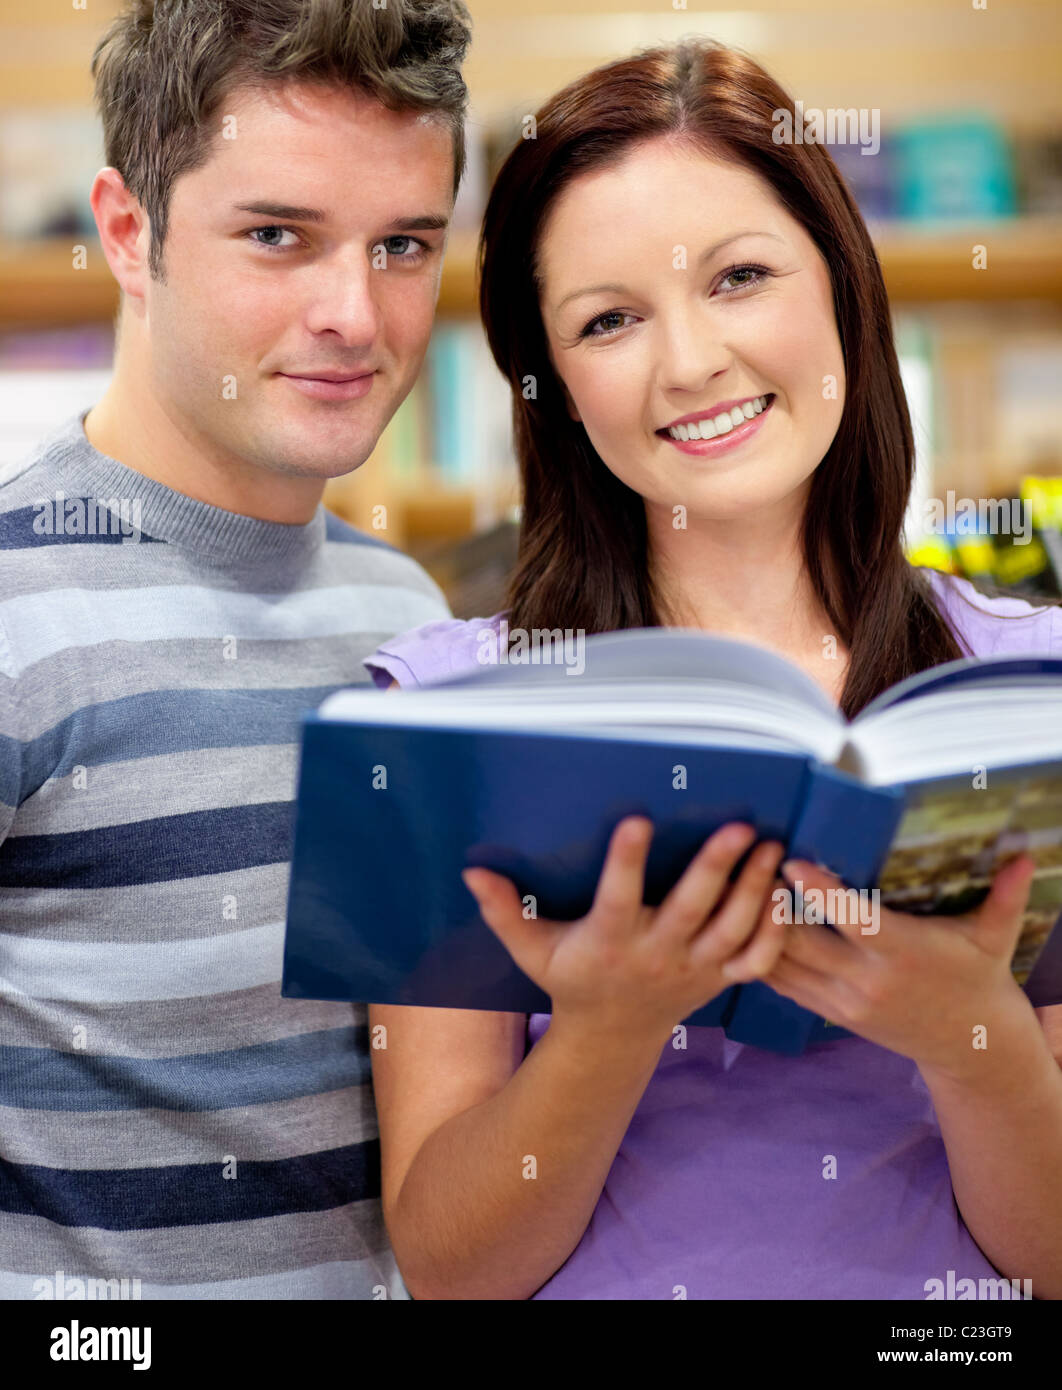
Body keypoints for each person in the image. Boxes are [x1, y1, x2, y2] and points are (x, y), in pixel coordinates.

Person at [363, 38, 1062, 1300]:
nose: (689, 363)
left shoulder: (1030, 691)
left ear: (841, 282)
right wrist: (609, 1027)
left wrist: (977, 1042)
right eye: (610, 318)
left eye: (740, 276)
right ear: (557, 384)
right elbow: (450, 1269)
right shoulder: (446, 714)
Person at [0, 0, 473, 1300]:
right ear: (126, 231)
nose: (354, 313)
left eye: (403, 246)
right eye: (278, 236)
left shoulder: (410, 624)